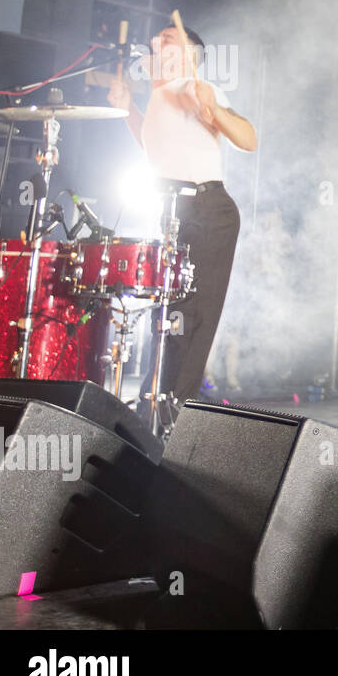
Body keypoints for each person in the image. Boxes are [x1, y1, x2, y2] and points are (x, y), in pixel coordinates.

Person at [108, 23, 258, 405]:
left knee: (194, 313)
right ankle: (156, 396)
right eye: (157, 38)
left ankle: (176, 404)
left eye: (169, 37)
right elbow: (155, 149)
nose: (158, 41)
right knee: (170, 309)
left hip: (209, 210)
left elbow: (248, 139)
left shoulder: (198, 88)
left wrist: (213, 108)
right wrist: (128, 109)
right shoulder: (161, 95)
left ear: (190, 55)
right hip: (174, 209)